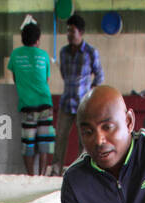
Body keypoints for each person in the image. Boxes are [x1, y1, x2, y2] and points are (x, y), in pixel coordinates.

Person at [52, 14, 102, 176]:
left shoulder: (90, 52)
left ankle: (82, 172)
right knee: (60, 138)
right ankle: (55, 170)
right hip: (66, 103)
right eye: (67, 31)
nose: (69, 35)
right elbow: (64, 74)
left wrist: (91, 95)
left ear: (81, 33)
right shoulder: (63, 52)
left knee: (84, 140)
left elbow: (100, 76)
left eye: (72, 31)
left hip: (83, 105)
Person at [7, 19, 54, 177]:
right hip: (45, 104)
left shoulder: (15, 55)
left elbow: (15, 79)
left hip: (28, 106)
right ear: (38, 40)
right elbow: (46, 80)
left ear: (22, 38)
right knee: (44, 145)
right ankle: (41, 177)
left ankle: (30, 177)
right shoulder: (44, 56)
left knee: (28, 145)